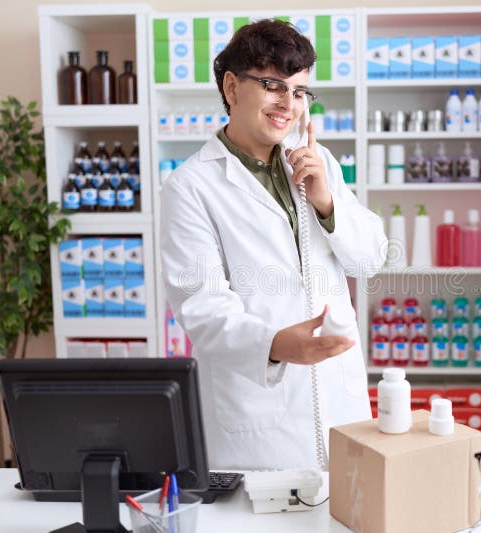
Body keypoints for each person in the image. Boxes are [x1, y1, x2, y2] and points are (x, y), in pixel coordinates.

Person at [160, 19, 386, 471]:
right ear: (232, 87)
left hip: (340, 404)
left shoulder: (318, 164)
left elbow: (370, 259)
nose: (289, 104)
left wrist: (326, 202)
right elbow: (201, 307)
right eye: (273, 86)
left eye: (299, 92)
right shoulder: (190, 186)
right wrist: (275, 344)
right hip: (258, 418)